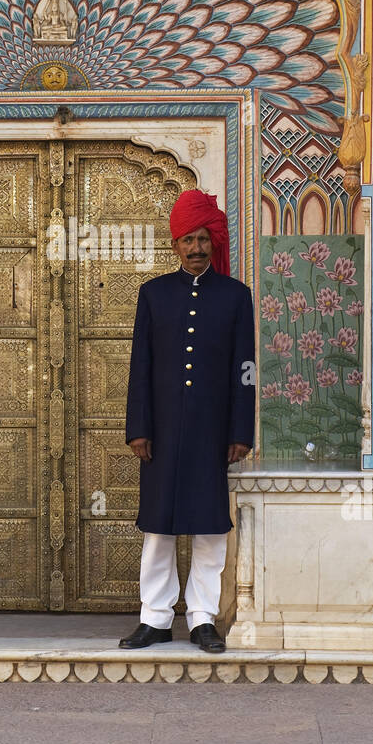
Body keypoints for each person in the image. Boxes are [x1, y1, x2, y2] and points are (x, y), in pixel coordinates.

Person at [120, 190, 255, 653]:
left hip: (213, 433)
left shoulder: (236, 297)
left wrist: (240, 431)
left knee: (210, 528)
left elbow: (245, 369)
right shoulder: (153, 294)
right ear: (174, 245)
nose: (196, 249)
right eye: (187, 241)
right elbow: (141, 366)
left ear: (211, 241)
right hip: (161, 433)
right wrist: (138, 427)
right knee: (158, 528)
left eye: (202, 239)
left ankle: (202, 619)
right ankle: (155, 618)